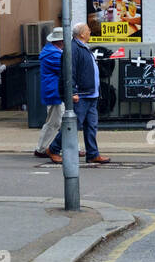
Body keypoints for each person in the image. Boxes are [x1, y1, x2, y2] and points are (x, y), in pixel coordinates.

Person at [34, 27, 82, 160]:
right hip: (55, 93)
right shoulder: (54, 55)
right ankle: (42, 148)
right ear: (61, 41)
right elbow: (67, 68)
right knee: (57, 122)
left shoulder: (52, 52)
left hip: (56, 92)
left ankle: (70, 148)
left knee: (60, 122)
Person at [72, 23, 109, 164]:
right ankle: (54, 148)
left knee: (91, 126)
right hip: (81, 95)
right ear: (81, 34)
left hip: (91, 94)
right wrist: (73, 92)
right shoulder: (75, 48)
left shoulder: (82, 47)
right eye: (88, 30)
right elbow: (71, 71)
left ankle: (93, 154)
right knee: (73, 125)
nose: (90, 32)